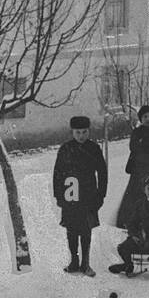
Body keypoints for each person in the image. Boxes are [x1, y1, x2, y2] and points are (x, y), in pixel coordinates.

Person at [53, 115, 108, 277]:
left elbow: (102, 173)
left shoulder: (94, 148)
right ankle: (73, 261)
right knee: (71, 230)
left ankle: (85, 263)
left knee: (85, 230)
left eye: (84, 132)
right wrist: (59, 196)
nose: (81, 136)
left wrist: (101, 195)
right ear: (72, 132)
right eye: (78, 132)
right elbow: (57, 174)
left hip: (88, 196)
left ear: (88, 131)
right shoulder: (65, 149)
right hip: (70, 197)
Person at [115, 105, 149, 231]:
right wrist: (145, 144)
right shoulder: (137, 132)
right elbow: (134, 147)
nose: (148, 119)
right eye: (145, 117)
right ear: (141, 119)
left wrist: (143, 143)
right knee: (134, 194)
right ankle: (129, 220)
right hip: (138, 168)